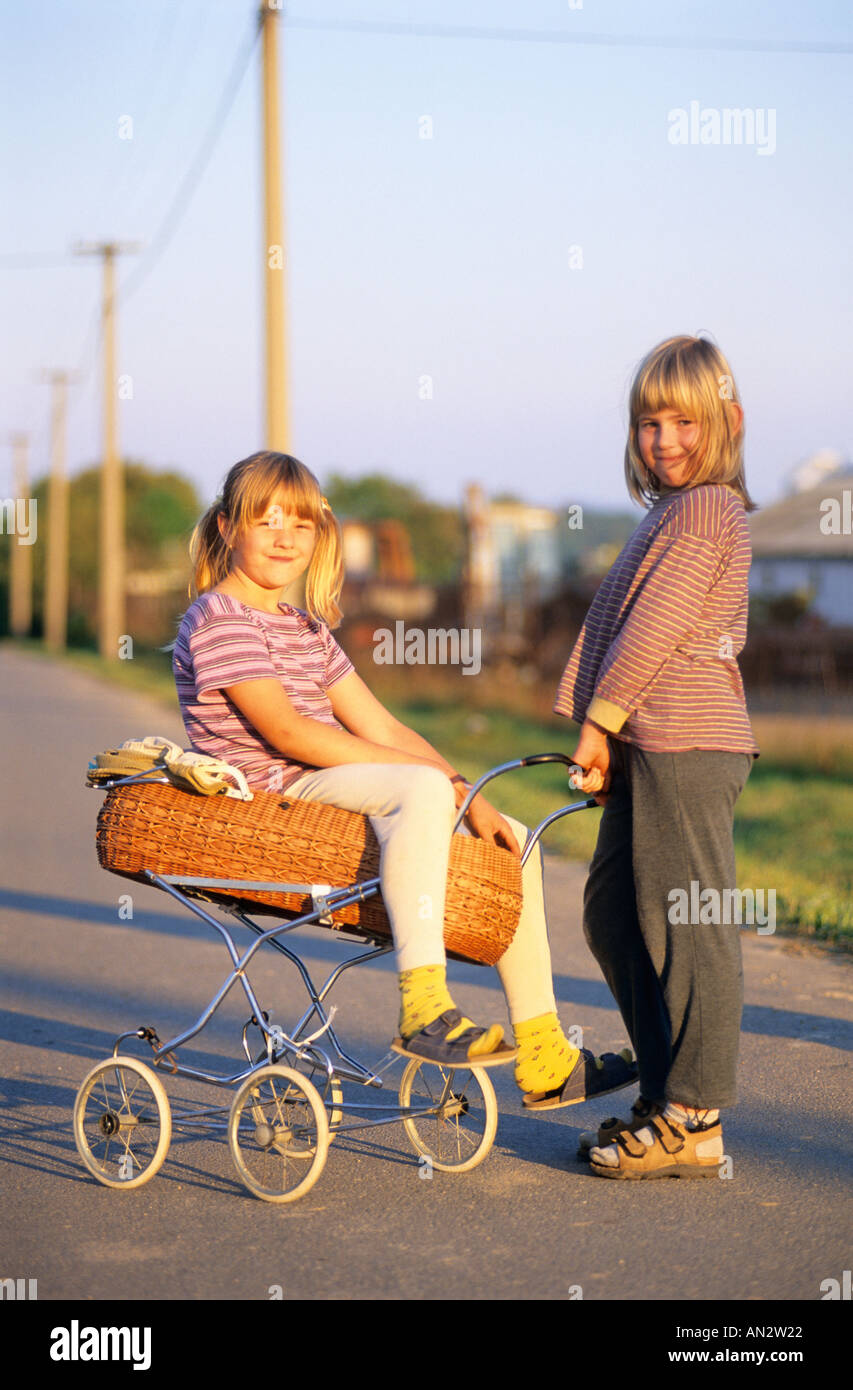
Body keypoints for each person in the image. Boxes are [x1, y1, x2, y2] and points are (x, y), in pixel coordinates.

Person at [172, 450, 637, 1106]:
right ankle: (423, 1005)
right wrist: (433, 783)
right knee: (417, 787)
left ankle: (542, 1052)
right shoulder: (218, 617)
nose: (283, 537)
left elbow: (382, 728)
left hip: (321, 782)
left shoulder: (303, 627)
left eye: (300, 525)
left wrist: (468, 794)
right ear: (227, 526)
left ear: (318, 536)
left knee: (513, 835)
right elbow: (287, 735)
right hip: (269, 791)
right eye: (265, 520)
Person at [557, 335, 759, 1177]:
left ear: (727, 423)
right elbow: (617, 625)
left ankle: (695, 1115)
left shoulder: (709, 508)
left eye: (684, 420)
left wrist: (596, 723)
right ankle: (665, 1091)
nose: (665, 439)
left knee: (690, 925)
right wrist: (603, 730)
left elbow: (655, 628)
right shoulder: (667, 514)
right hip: (648, 739)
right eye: (649, 422)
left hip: (688, 740)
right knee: (612, 915)